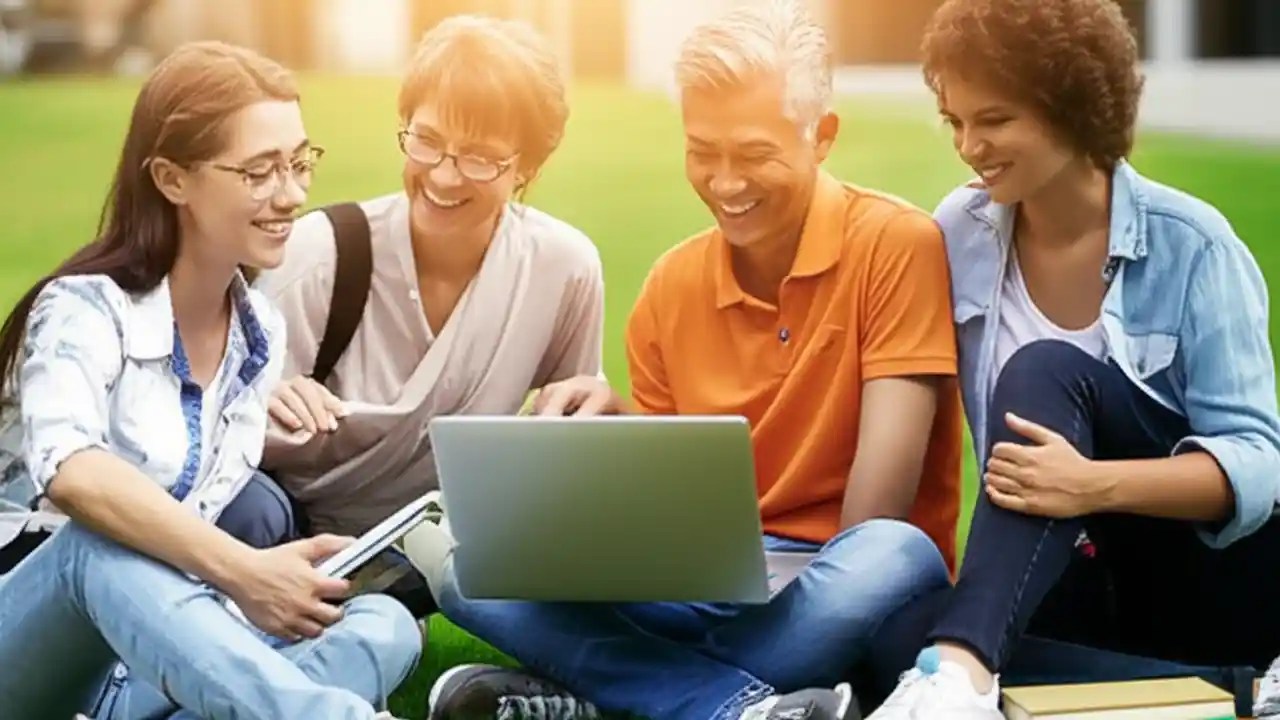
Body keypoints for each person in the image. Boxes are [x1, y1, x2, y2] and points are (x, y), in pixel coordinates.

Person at [406, 1, 966, 718]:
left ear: (821, 136)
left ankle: (603, 692)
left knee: (892, 550)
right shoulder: (671, 287)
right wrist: (613, 438)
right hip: (704, 587)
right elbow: (666, 529)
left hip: (840, 580)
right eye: (703, 150)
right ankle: (736, 706)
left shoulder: (896, 246)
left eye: (755, 154)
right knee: (464, 575)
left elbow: (878, 510)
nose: (726, 183)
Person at [862, 1, 1280, 718]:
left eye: (993, 121)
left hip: (1203, 573)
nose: (968, 145)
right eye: (955, 121)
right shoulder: (956, 235)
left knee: (1044, 371)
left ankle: (962, 676)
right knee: (887, 635)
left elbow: (1257, 465)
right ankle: (1231, 689)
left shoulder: (1195, 246)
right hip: (1063, 575)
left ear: (1073, 104)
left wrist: (1091, 485)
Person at [0, 41, 420, 720]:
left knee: (381, 622)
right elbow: (73, 473)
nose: (292, 195)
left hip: (151, 653)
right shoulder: (83, 309)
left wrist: (283, 581)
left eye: (298, 162)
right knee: (95, 548)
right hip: (30, 650)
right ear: (172, 179)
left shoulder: (260, 332)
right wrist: (246, 570)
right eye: (259, 172)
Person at [217, 13, 607, 618]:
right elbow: (200, 436)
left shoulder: (564, 267)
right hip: (289, 537)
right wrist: (258, 399)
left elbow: (567, 448)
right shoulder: (320, 255)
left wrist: (587, 413)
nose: (444, 176)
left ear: (527, 166)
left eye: (480, 157)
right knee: (252, 508)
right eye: (426, 141)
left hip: (440, 546)